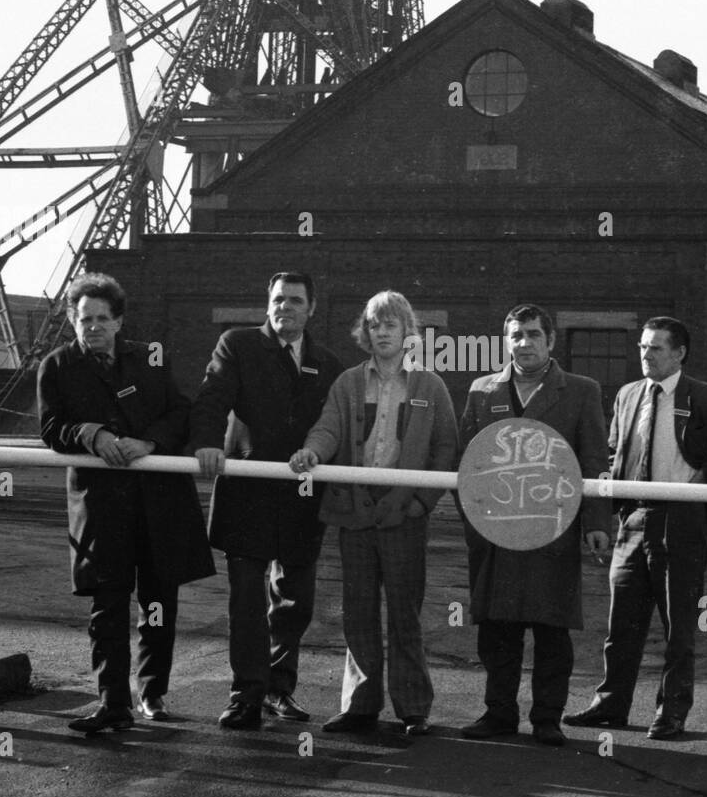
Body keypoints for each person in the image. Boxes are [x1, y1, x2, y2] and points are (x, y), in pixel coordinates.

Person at [38, 272, 215, 734]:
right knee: (108, 607)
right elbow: (51, 427)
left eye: (102, 318)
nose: (92, 326)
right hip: (101, 508)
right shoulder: (57, 366)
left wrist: (149, 443)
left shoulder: (151, 359)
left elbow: (180, 412)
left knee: (158, 604)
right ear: (73, 322)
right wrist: (90, 433)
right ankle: (112, 702)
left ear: (118, 321)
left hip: (158, 504)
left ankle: (152, 695)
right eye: (84, 319)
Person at [564, 317, 707, 739]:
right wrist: (604, 511)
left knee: (678, 626)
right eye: (643, 348)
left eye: (656, 349)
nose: (646, 355)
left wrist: (705, 483)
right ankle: (610, 705)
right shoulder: (629, 395)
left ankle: (671, 713)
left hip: (682, 519)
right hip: (633, 519)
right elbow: (614, 451)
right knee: (621, 625)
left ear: (679, 353)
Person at [289, 291, 457, 737]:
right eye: (373, 325)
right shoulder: (346, 383)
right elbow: (329, 428)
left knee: (406, 613)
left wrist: (422, 503)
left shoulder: (430, 385)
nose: (381, 332)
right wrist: (311, 450)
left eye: (390, 325)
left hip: (406, 514)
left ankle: (413, 710)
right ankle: (360, 705)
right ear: (364, 333)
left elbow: (446, 449)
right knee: (358, 611)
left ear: (407, 332)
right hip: (355, 512)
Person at [190, 271, 344, 729]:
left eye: (295, 301)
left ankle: (280, 688)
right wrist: (206, 442)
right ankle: (246, 695)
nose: (285, 308)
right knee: (247, 604)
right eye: (278, 300)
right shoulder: (237, 346)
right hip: (248, 494)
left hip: (300, 500)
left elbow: (334, 426)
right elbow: (212, 397)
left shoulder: (328, 363)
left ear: (310, 308)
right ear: (267, 304)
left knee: (295, 601)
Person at [457, 304, 611, 747]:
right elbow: (466, 464)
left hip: (553, 528)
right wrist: (476, 526)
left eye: (532, 335)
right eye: (515, 335)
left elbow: (594, 461)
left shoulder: (580, 391)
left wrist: (596, 522)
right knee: (497, 630)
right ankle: (498, 713)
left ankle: (547, 718)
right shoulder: (482, 391)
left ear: (550, 341)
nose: (523, 343)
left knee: (551, 631)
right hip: (496, 535)